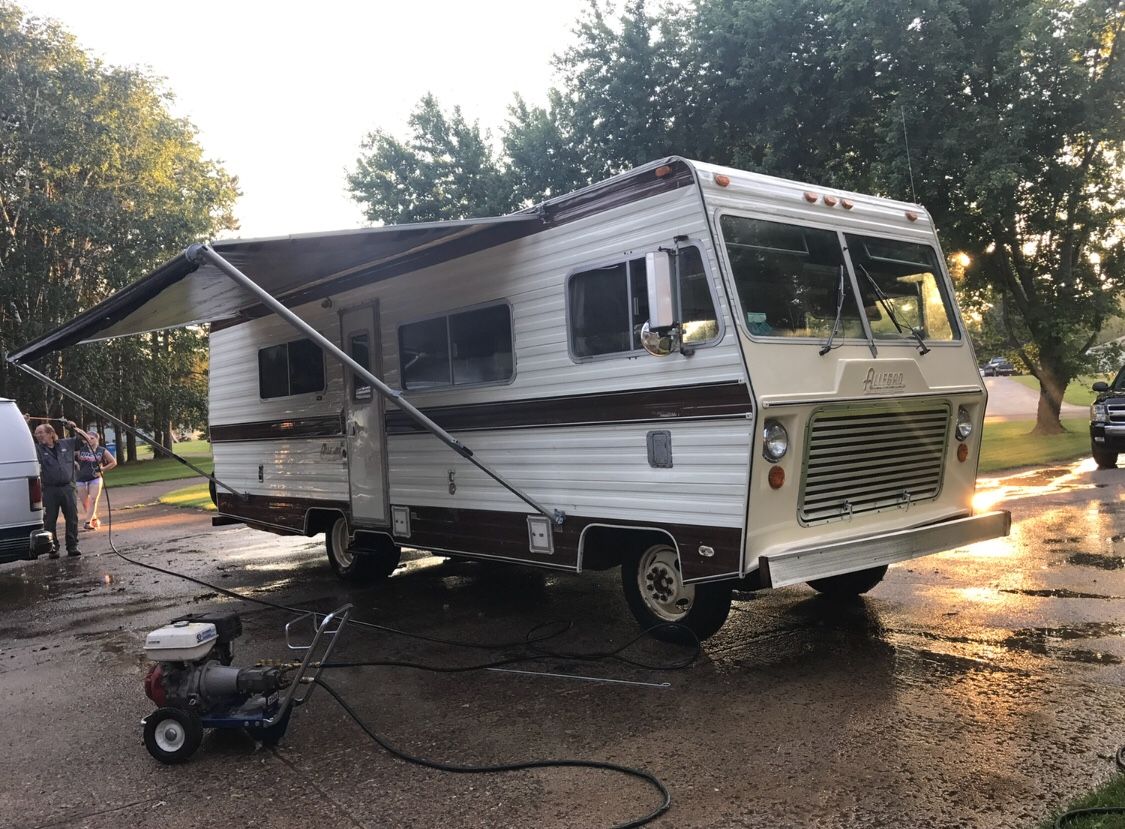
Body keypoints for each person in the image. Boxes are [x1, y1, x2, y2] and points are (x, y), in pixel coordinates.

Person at [31, 419, 96, 558]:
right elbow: (23, 444)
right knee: (50, 520)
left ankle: (72, 546)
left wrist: (75, 428)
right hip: (49, 489)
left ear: (50, 433)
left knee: (72, 518)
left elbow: (87, 440)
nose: (38, 436)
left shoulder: (67, 443)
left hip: (68, 488)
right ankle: (53, 548)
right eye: (36, 434)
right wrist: (23, 422)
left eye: (41, 432)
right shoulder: (37, 449)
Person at [75, 432, 116, 531]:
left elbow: (113, 462)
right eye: (87, 438)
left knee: (93, 499)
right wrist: (75, 463)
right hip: (80, 479)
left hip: (95, 478)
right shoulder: (80, 449)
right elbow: (67, 456)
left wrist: (102, 469)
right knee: (86, 503)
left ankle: (87, 522)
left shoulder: (101, 450)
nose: (89, 440)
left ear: (97, 439)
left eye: (92, 438)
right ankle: (94, 519)